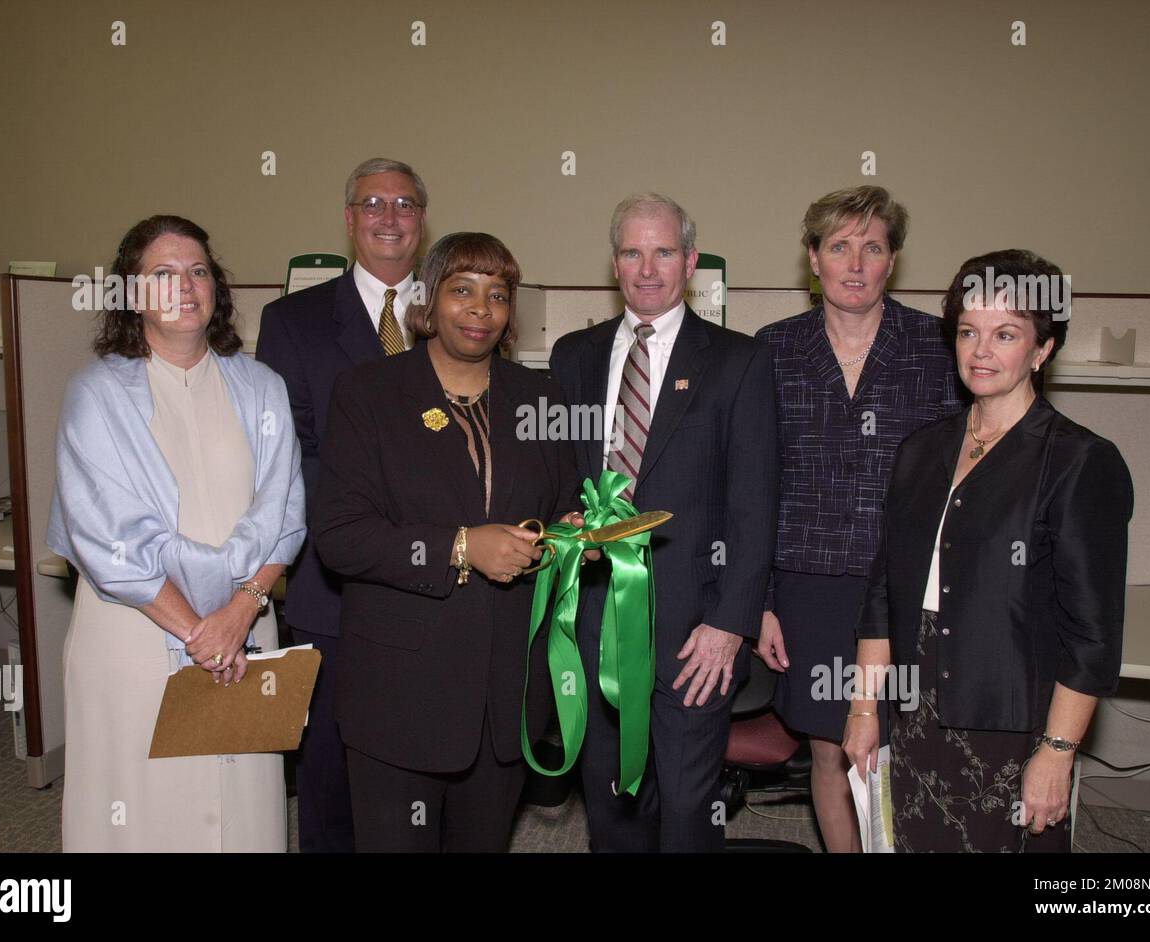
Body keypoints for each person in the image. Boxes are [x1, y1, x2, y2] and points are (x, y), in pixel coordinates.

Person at [845, 249, 1133, 852]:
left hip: (1011, 718)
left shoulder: (1078, 461)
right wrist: (866, 709)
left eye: (1006, 334)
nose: (981, 351)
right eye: (969, 332)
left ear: (1042, 348)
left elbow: (1092, 637)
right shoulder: (922, 450)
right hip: (914, 699)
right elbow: (883, 589)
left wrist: (1056, 755)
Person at [313, 232, 579, 852]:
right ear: (429, 303)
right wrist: (461, 546)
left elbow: (564, 507)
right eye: (462, 291)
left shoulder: (542, 398)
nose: (481, 309)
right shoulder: (367, 394)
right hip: (400, 692)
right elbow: (340, 537)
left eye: (497, 295)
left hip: (507, 691)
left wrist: (576, 541)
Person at [47, 215, 306, 852]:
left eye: (197, 272)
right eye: (161, 274)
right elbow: (111, 542)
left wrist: (238, 615)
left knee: (243, 807)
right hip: (136, 630)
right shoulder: (96, 396)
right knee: (143, 810)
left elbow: (284, 515)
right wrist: (200, 632)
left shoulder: (262, 388)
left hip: (245, 622)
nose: (183, 286)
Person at [550, 193, 777, 852]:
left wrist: (732, 623)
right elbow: (562, 479)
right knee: (612, 807)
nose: (648, 269)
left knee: (684, 811)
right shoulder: (574, 356)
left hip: (694, 634)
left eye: (664, 252)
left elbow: (755, 503)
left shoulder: (738, 361)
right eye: (632, 252)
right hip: (592, 625)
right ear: (614, 262)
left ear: (691, 261)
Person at [754, 186, 962, 852]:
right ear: (812, 259)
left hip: (908, 590)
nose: (854, 262)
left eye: (871, 248)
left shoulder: (937, 348)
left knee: (899, 757)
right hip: (807, 588)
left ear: (891, 261)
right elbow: (751, 487)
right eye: (838, 246)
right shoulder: (771, 351)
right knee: (832, 756)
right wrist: (760, 601)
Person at [255, 157, 427, 852]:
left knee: (424, 761)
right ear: (350, 219)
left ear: (423, 220)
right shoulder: (293, 320)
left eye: (405, 204)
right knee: (329, 765)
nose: (390, 217)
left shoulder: (460, 312)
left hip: (439, 580)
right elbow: (287, 455)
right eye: (373, 203)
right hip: (336, 583)